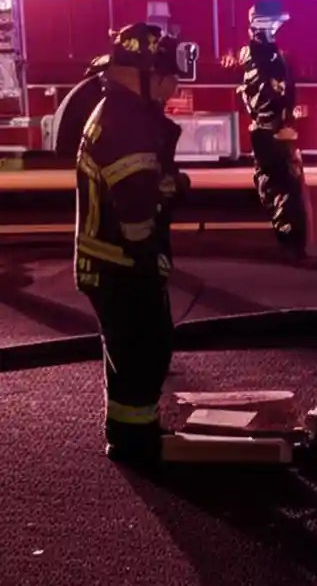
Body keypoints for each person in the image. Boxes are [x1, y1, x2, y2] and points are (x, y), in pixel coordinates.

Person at [75, 23, 192, 465]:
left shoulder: (122, 114)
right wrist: (150, 264)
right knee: (142, 351)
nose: (174, 85)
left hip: (113, 264)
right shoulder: (125, 122)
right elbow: (137, 210)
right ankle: (134, 444)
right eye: (166, 75)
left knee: (132, 356)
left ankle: (131, 433)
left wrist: (170, 184)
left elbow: (144, 186)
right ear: (141, 75)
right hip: (120, 264)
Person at [237, 2, 309, 258]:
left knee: (282, 184)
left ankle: (291, 239)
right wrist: (278, 126)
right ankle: (290, 242)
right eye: (275, 23)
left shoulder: (261, 53)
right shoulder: (263, 58)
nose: (279, 27)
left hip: (271, 130)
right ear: (264, 24)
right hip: (271, 133)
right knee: (282, 186)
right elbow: (265, 96)